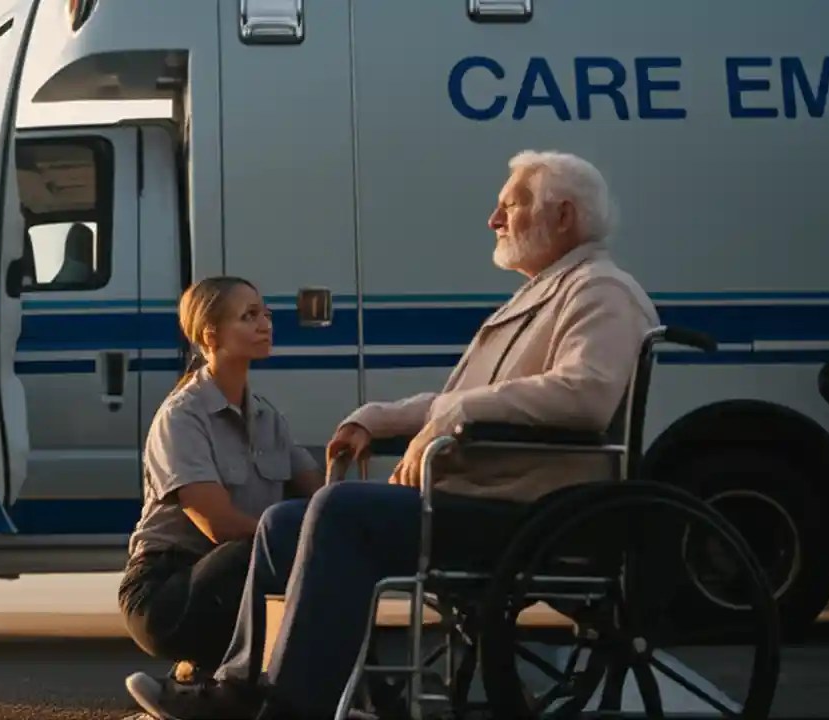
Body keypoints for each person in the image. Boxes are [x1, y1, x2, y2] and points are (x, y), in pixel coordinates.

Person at [122, 150, 660, 720]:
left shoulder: (600, 290)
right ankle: (241, 687)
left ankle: (295, 706)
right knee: (283, 523)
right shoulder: (542, 296)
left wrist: (451, 417)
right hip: (486, 499)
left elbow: (584, 394)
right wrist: (374, 418)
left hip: (525, 510)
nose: (493, 220)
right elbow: (458, 400)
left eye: (510, 206)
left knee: (339, 513)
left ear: (563, 216)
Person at [118, 275, 326, 687]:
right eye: (249, 316)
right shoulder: (182, 417)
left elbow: (321, 497)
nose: (265, 324)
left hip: (240, 573)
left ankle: (363, 695)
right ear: (210, 335)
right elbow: (220, 526)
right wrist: (300, 540)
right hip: (167, 590)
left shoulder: (268, 418)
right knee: (261, 549)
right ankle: (207, 686)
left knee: (327, 558)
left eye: (265, 314)